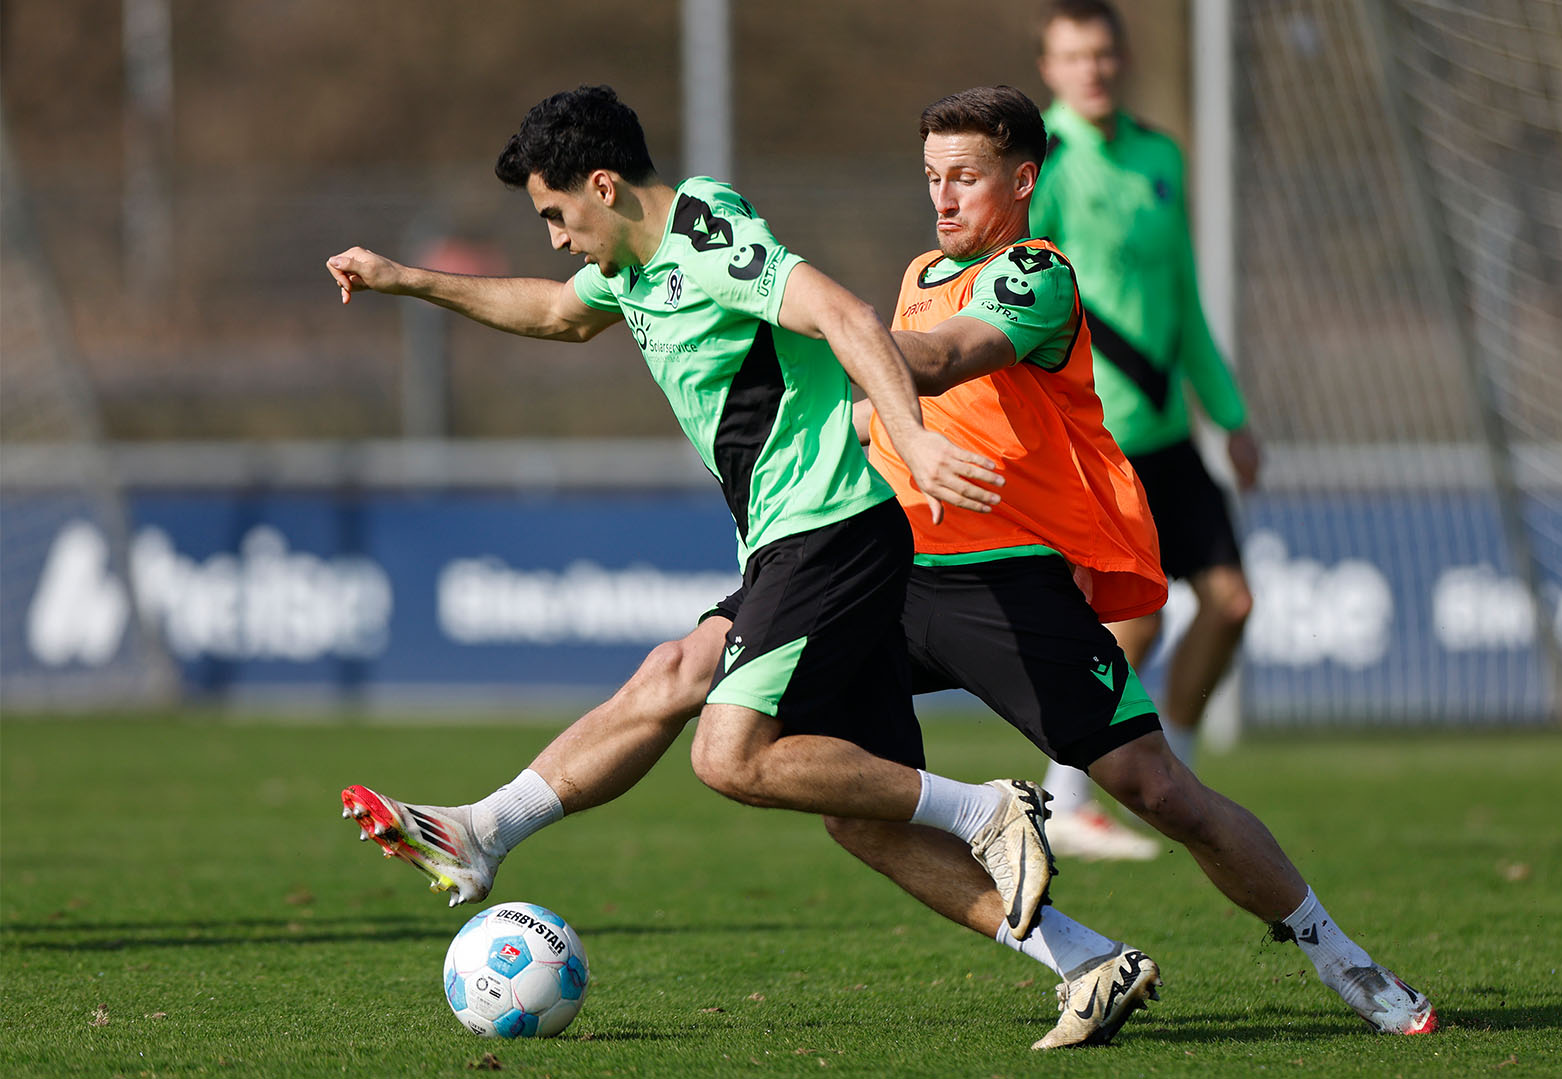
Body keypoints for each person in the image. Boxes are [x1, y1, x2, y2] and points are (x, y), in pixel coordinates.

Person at [328, 84, 1149, 1051]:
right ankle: (1090, 959)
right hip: (787, 542)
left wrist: (917, 443)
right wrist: (404, 278)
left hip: (833, 525)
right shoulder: (629, 266)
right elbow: (554, 312)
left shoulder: (707, 230)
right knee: (815, 779)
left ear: (603, 184)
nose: (554, 237)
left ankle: (988, 807)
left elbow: (842, 313)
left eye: (556, 214)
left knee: (730, 753)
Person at [1027, 0, 1259, 859]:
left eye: (1101, 52)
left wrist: (1229, 416)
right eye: (1071, 55)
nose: (1090, 67)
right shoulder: (1040, 164)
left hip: (1169, 434)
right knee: (1135, 619)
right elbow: (1016, 296)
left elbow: (1186, 305)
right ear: (1050, 68)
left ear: (1119, 58)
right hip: (1095, 435)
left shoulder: (1159, 153)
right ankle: (1067, 795)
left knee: (1232, 601)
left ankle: (1177, 767)